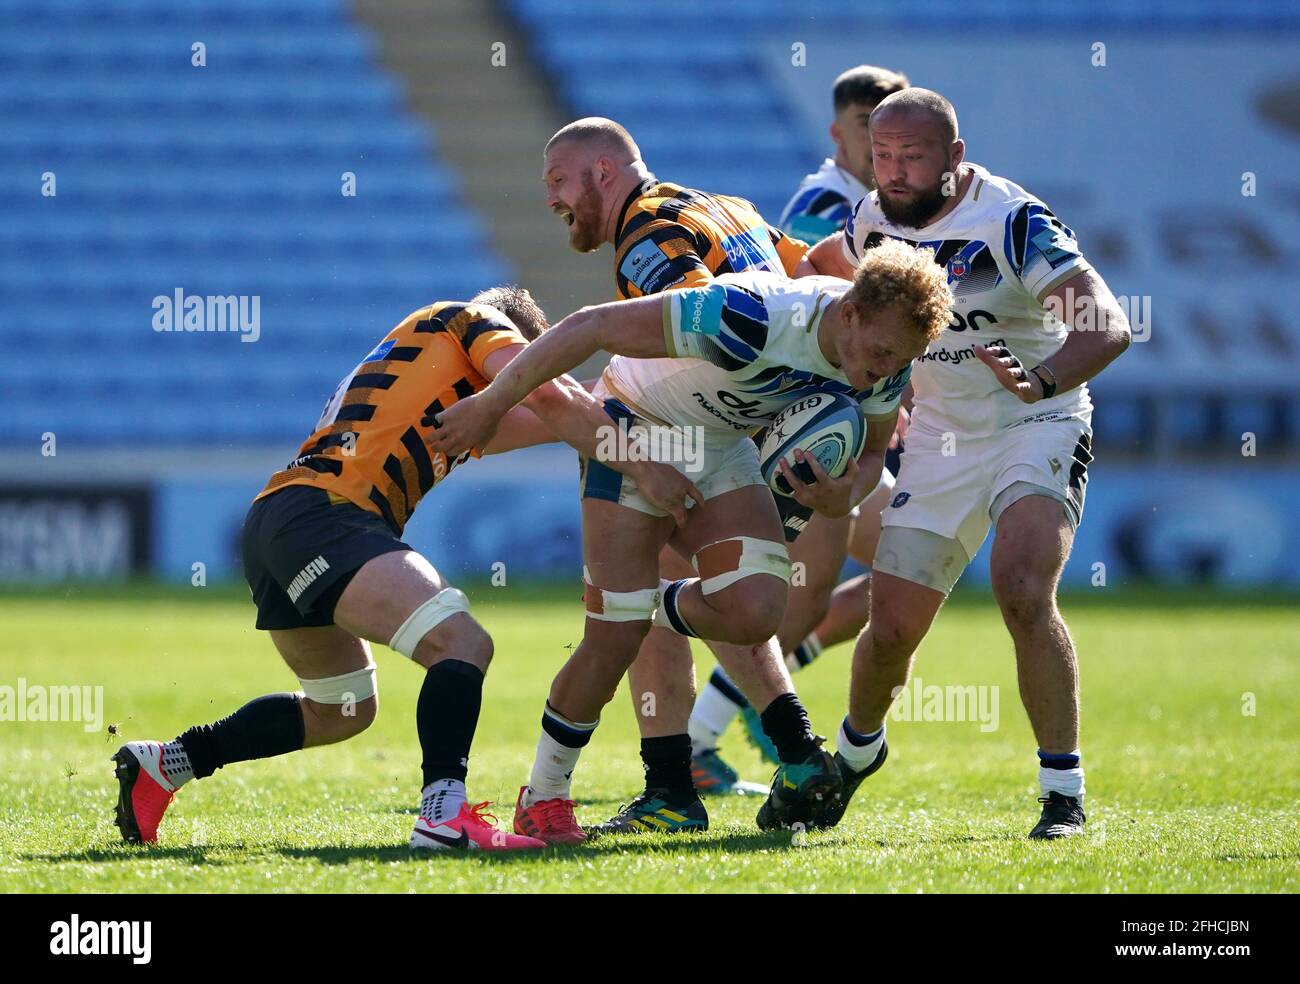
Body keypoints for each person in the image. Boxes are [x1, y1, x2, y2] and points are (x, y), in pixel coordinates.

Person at [112, 286, 700, 853]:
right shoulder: (471, 319)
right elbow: (552, 398)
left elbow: (558, 415)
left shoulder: (438, 380)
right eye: (527, 361)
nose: (523, 379)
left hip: (281, 521)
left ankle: (168, 763)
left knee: (341, 708)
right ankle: (443, 816)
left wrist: (668, 391)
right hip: (328, 516)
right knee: (460, 643)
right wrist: (645, 467)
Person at [426, 239, 952, 842]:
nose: (886, 370)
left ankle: (639, 608)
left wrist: (846, 495)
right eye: (883, 353)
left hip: (719, 446)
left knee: (755, 611)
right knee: (612, 640)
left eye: (901, 360)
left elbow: (876, 452)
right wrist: (493, 402)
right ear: (852, 312)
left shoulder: (891, 356)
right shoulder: (751, 315)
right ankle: (543, 795)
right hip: (635, 426)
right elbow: (592, 325)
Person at [799, 88, 1132, 838]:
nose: (894, 172)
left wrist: (1041, 380)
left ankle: (1061, 792)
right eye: (882, 157)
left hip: (1037, 418)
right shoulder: (871, 220)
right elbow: (837, 289)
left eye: (913, 158)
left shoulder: (1013, 220)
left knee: (1021, 586)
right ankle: (854, 757)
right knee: (889, 634)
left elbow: (1107, 326)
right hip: (941, 436)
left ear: (953, 156)